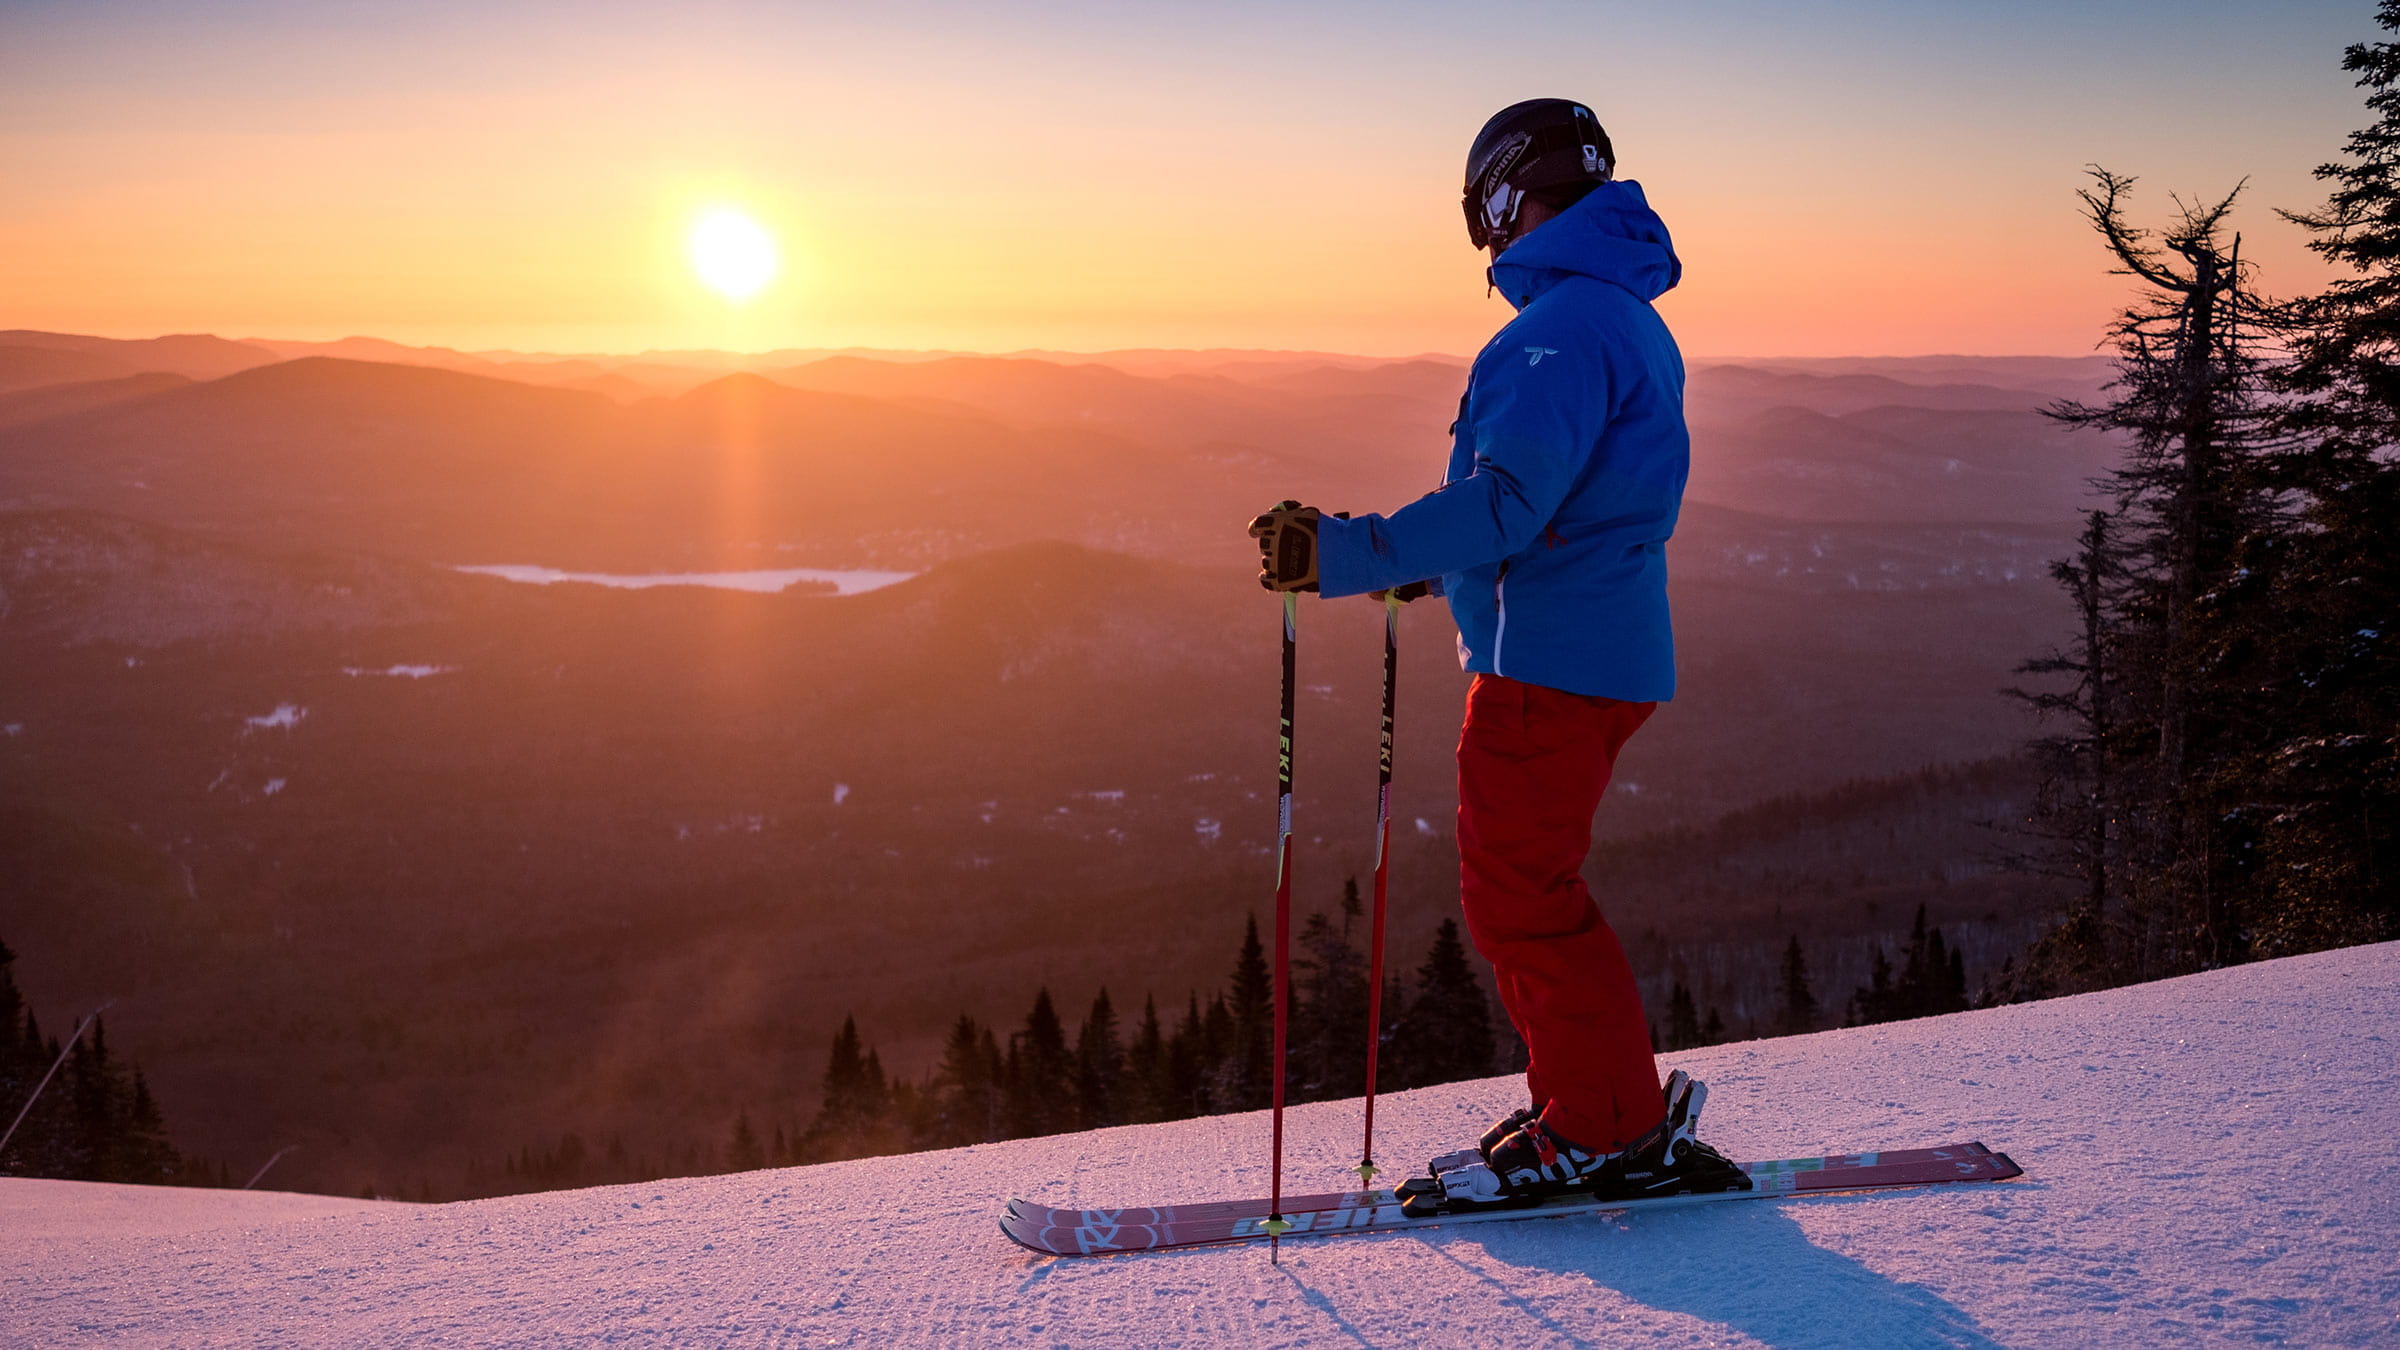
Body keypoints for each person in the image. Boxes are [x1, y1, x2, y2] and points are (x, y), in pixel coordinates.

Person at [1247, 98, 1746, 1208]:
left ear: (1508, 196)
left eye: (1483, 211)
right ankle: (1595, 1103)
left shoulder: (1555, 329)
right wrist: (1439, 572)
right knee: (1530, 889)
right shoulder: (1621, 315)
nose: (1484, 236)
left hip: (1546, 668)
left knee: (1522, 898)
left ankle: (1603, 1126)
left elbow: (1509, 501)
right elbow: (1573, 505)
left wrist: (1347, 553)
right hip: (1600, 649)